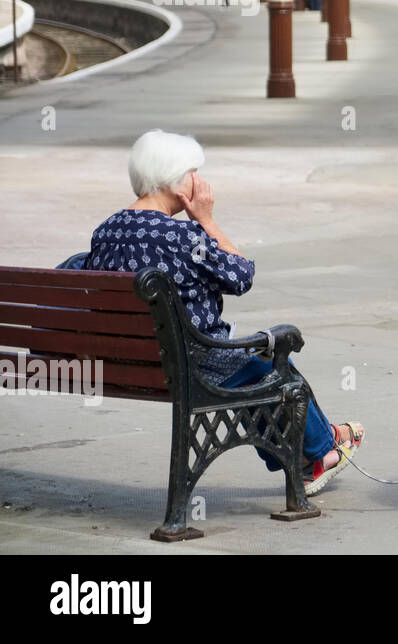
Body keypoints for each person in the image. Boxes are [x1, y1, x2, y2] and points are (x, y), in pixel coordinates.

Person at [85, 129, 363, 495]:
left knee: (252, 366)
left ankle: (314, 449)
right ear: (174, 182)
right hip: (191, 364)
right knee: (270, 365)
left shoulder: (105, 231)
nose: (200, 181)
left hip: (127, 362)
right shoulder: (181, 236)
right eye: (193, 172)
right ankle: (320, 452)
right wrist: (207, 219)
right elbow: (241, 275)